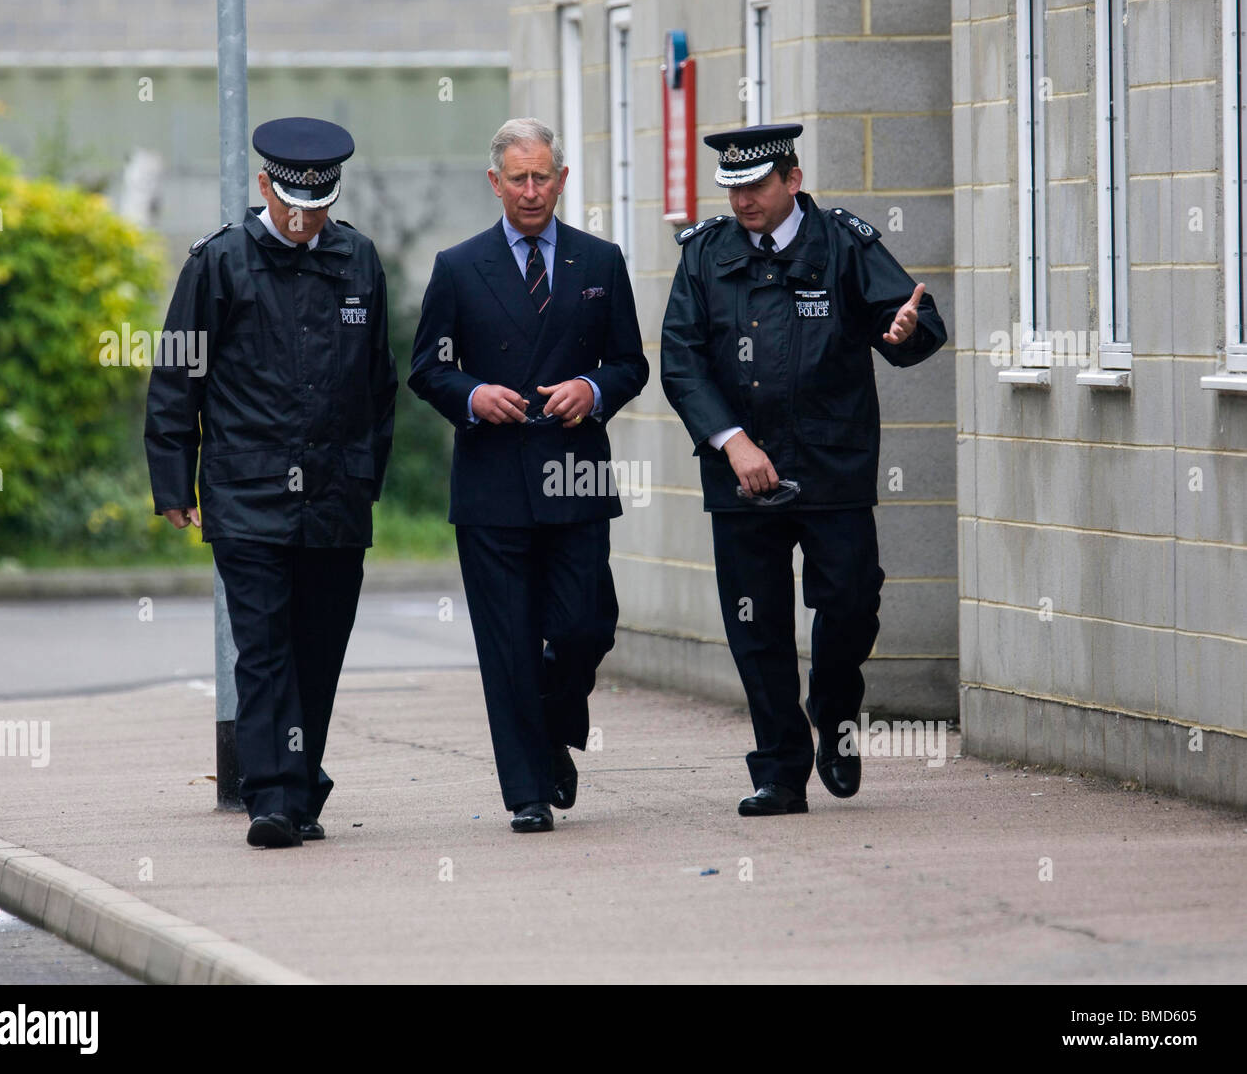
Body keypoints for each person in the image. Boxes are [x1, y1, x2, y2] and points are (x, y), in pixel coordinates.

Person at [660, 123, 947, 816]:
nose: (743, 202)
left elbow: (911, 318)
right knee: (755, 627)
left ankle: (835, 708)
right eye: (732, 188)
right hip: (742, 472)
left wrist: (907, 331)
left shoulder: (843, 242)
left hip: (830, 463)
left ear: (792, 179)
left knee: (851, 601)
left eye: (756, 186)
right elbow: (682, 359)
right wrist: (732, 443)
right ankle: (780, 772)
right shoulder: (705, 254)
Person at [144, 117, 397, 848]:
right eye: (292, 202)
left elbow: (379, 387)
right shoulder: (219, 263)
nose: (302, 216)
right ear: (265, 186)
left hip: (335, 496)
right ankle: (273, 798)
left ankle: (301, 779)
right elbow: (176, 377)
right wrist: (173, 481)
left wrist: (366, 477)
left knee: (318, 647)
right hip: (247, 492)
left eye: (317, 205)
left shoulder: (359, 260)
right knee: (263, 648)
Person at [409, 117, 648, 833]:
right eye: (519, 178)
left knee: (583, 627)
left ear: (562, 179)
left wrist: (595, 390)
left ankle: (551, 735)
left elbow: (631, 363)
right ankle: (527, 792)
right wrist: (474, 397)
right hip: (493, 483)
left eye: (544, 175)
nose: (533, 189)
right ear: (496, 183)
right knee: (508, 641)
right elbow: (427, 369)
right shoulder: (459, 266)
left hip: (575, 478)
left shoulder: (599, 262)